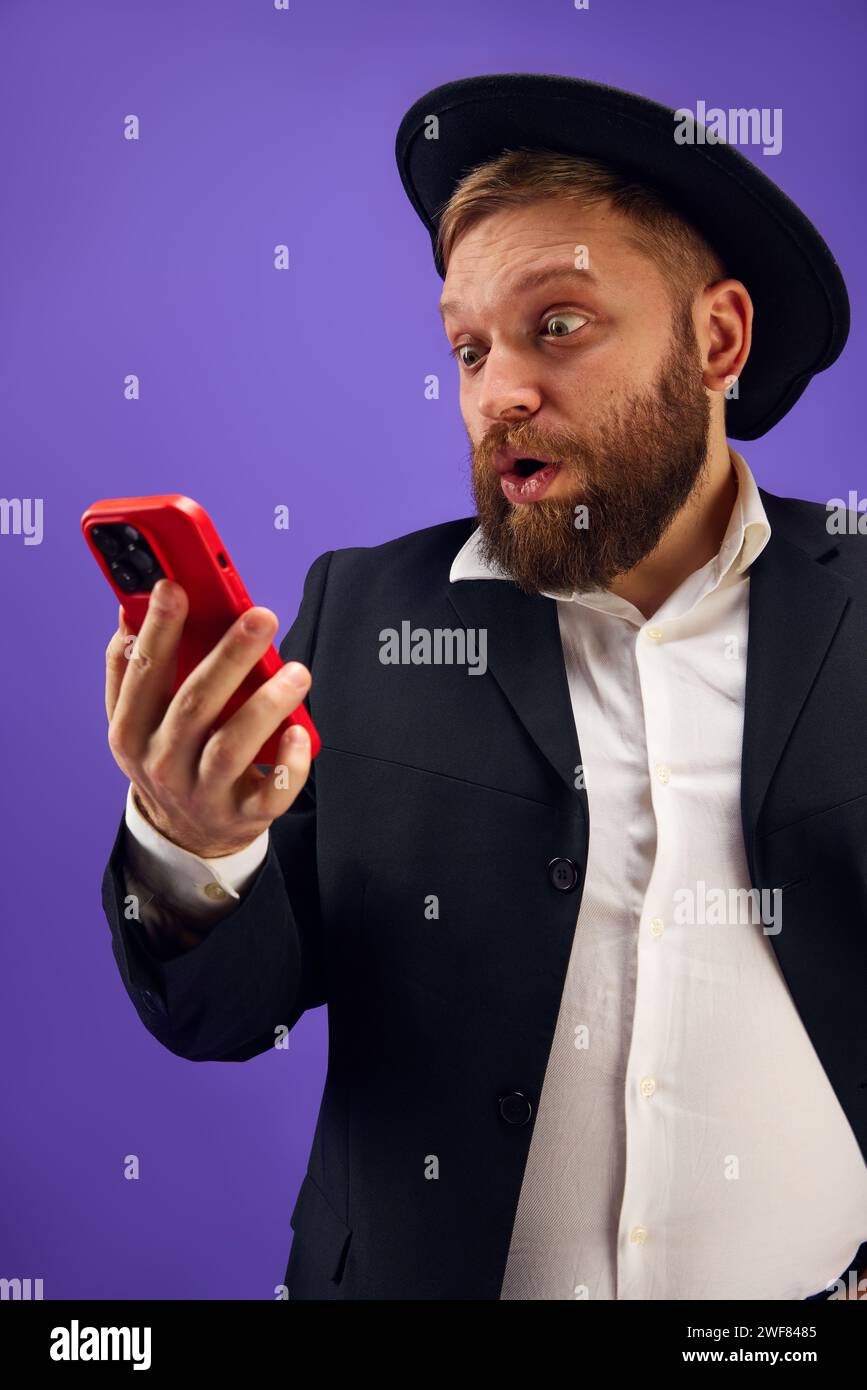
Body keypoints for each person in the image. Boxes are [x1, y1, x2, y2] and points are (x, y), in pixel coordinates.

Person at [100, 73, 867, 1300]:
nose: (496, 389)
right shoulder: (365, 617)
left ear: (718, 339)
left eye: (557, 323)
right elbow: (224, 1015)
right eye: (468, 346)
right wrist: (192, 849)